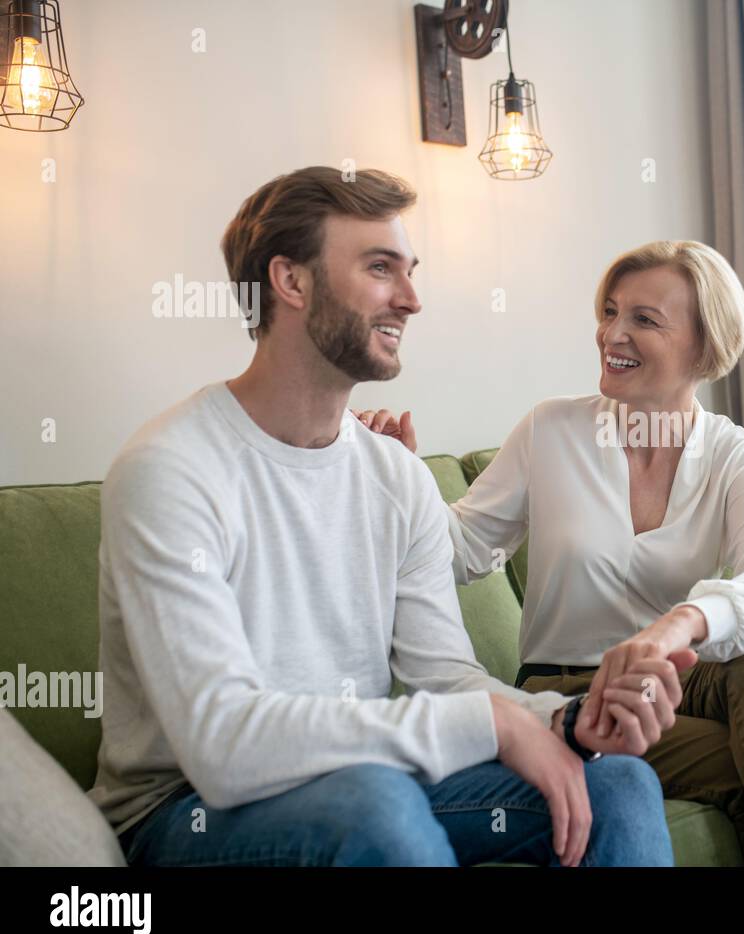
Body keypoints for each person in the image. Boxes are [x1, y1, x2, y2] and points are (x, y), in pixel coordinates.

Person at [88, 167, 677, 867]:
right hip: (185, 814)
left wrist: (566, 719)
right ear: (291, 281)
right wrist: (484, 724)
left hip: (358, 786)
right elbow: (222, 747)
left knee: (618, 783)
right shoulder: (171, 467)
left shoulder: (395, 476)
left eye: (410, 271)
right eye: (380, 269)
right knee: (373, 804)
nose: (411, 299)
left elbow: (446, 678)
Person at [355, 240, 744, 866]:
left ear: (704, 348)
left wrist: (680, 622)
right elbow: (460, 553)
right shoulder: (551, 430)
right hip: (572, 688)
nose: (611, 334)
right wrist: (401, 478)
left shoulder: (735, 452)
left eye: (643, 320)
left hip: (679, 677)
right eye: (609, 311)